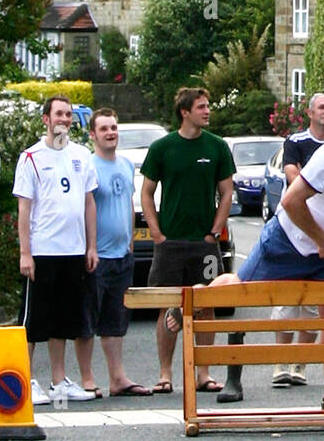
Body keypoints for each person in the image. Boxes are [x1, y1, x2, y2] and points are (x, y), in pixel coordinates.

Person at [210, 104, 324, 411]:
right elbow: (291, 200)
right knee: (240, 290)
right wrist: (321, 239)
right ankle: (197, 299)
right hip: (288, 239)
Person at [140, 87, 235, 395]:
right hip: (170, 244)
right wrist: (156, 232)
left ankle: (203, 373)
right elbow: (147, 192)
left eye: (208, 106)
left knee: (207, 305)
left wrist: (214, 232)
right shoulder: (162, 148)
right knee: (168, 307)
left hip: (204, 244)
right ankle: (165, 373)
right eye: (202, 107)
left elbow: (226, 193)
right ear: (185, 112)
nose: (208, 111)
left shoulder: (217, 147)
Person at [13, 95, 99, 405]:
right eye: (58, 114)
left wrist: (91, 245)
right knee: (35, 320)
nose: (63, 119)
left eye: (68, 115)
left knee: (63, 319)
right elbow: (25, 207)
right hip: (42, 250)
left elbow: (89, 202)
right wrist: (26, 252)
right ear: (46, 119)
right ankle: (25, 379)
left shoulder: (81, 155)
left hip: (73, 250)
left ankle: (58, 381)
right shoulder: (31, 157)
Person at [74, 109, 151, 397]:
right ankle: (87, 379)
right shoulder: (87, 166)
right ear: (92, 134)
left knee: (116, 319)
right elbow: (83, 208)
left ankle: (117, 378)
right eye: (104, 129)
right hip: (97, 256)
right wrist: (88, 248)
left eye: (114, 128)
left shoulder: (126, 165)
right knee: (87, 318)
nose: (110, 133)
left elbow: (129, 202)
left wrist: (130, 241)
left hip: (122, 254)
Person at [271, 92, 324, 387]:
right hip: (293, 225)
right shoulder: (296, 142)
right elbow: (291, 174)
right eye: (322, 107)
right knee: (286, 298)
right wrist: (312, 190)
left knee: (314, 301)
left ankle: (300, 362)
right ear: (310, 113)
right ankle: (280, 362)